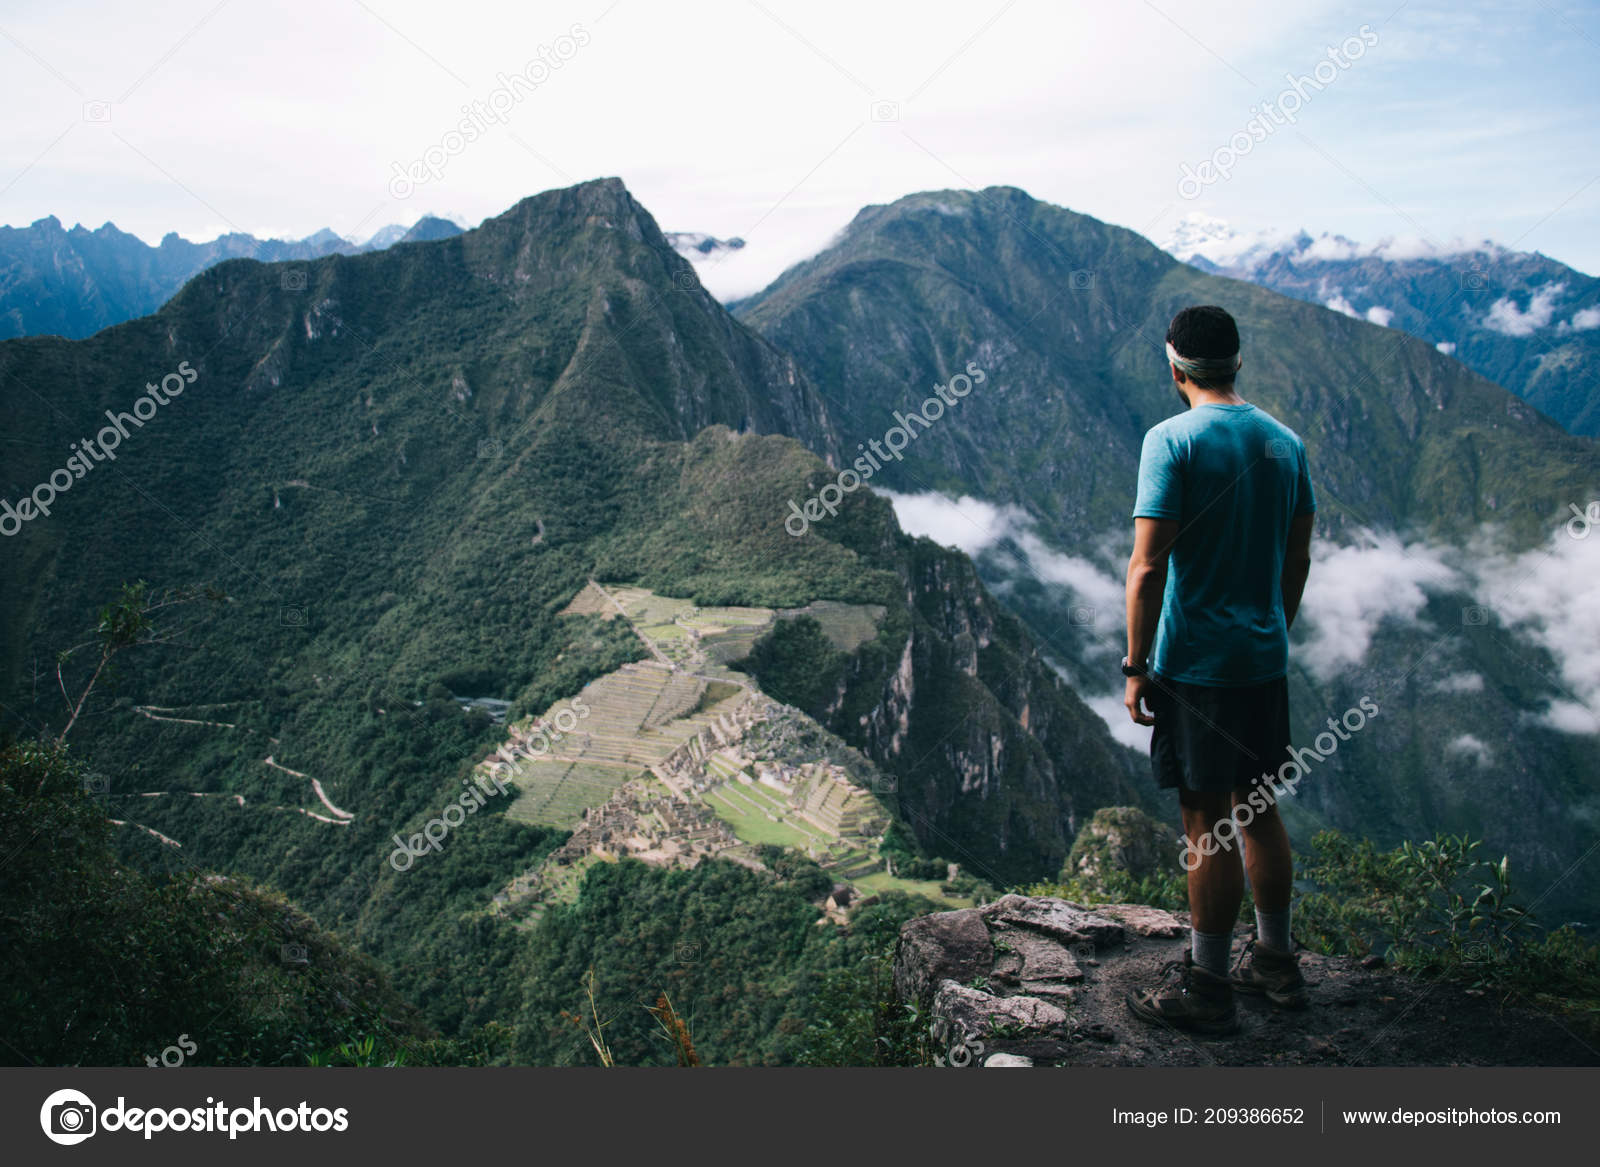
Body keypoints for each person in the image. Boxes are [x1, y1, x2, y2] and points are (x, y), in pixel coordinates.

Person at [1121, 305, 1316, 1035]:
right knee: (1260, 806)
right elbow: (1296, 558)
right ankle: (1275, 962)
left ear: (1175, 370)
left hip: (1195, 665)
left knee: (1206, 821)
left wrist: (1136, 666)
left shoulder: (1170, 441)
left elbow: (1147, 569)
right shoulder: (1285, 442)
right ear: (1237, 363)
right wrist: (1274, 625)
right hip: (1262, 659)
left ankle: (1207, 984)